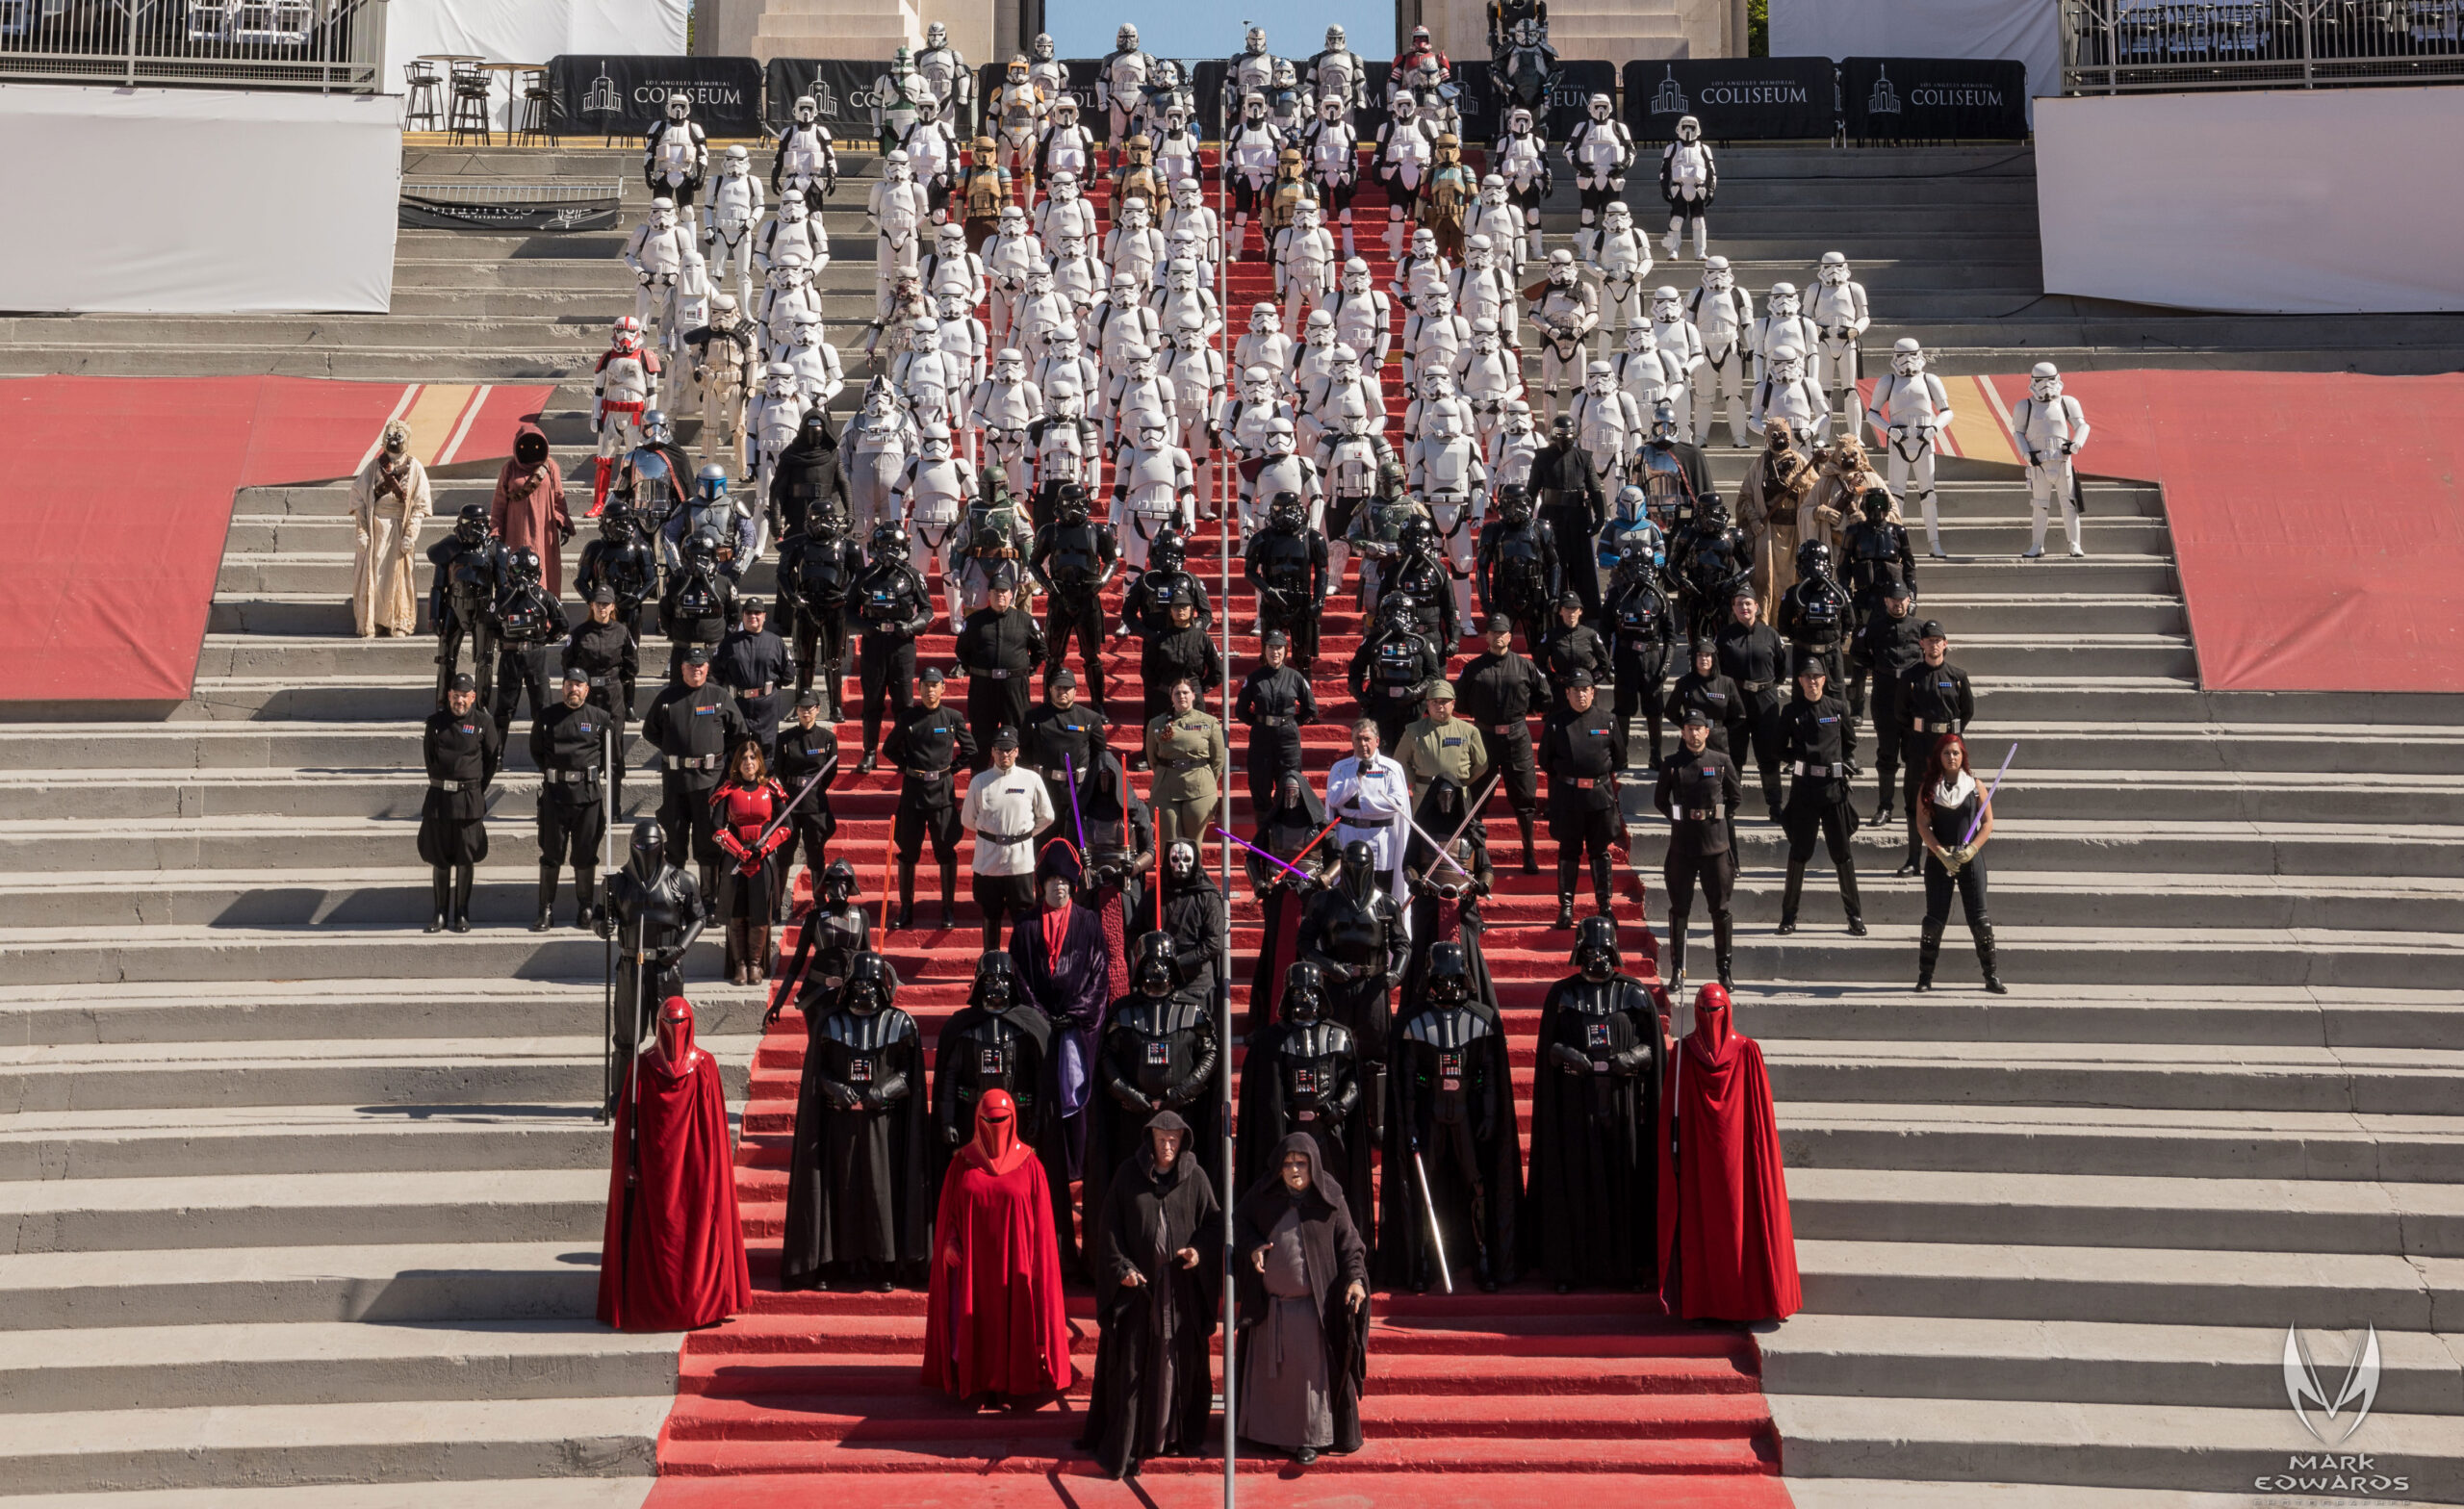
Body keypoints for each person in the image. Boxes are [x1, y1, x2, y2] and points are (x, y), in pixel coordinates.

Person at [1528, 917, 1668, 1292]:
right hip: (1577, 1105)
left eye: (1603, 950)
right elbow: (1548, 1052)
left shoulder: (1634, 994)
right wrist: (1568, 1054)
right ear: (1578, 951)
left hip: (1624, 1105)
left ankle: (1628, 1267)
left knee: (1625, 1180)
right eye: (1589, 950)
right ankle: (1571, 1268)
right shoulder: (1562, 996)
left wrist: (1633, 1058)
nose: (1597, 957)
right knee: (1578, 1180)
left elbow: (1654, 1050)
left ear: (1614, 950)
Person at [597, 996, 751, 1331]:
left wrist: (713, 1169)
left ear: (690, 1024)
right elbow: (626, 1128)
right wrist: (628, 1164)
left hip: (696, 1165)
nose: (675, 1029)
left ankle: (703, 1304)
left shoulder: (704, 1065)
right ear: (658, 1025)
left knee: (698, 1231)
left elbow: (713, 1126)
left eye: (681, 1022)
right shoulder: (642, 1066)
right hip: (654, 1167)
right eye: (669, 1022)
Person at [779, 952, 928, 1292]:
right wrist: (834, 1086)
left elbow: (911, 1074)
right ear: (847, 986)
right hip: (840, 1124)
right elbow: (816, 1073)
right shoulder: (830, 1024)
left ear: (882, 987)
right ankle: (836, 1262)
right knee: (840, 1191)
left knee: (880, 1192)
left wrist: (885, 1090)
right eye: (858, 983)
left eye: (870, 983)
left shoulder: (900, 1024)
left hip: (883, 1126)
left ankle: (883, 1262)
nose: (864, 990)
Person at [1084, 1110, 1221, 1480]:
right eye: (1162, 1139)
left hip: (1179, 1295)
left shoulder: (1196, 1178)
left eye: (1173, 1139)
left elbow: (1213, 1225)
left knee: (1174, 1365)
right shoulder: (1128, 1175)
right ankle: (1133, 1443)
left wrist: (1197, 1252)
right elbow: (1109, 1229)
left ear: (1183, 1140)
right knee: (1133, 1370)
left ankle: (1171, 1437)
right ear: (1150, 1140)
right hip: (1139, 1295)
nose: (1168, 1146)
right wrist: (1123, 1269)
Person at [1382, 942, 1519, 1292]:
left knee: (1476, 1184)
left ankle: (1483, 1253)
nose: (1447, 986)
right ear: (1429, 979)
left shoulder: (1482, 1019)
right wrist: (1409, 1125)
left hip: (1466, 1117)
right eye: (1440, 980)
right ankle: (1423, 1257)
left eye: (1453, 979)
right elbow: (1407, 1083)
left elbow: (1490, 1076)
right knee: (1425, 1185)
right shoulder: (1413, 1022)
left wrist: (1490, 1115)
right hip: (1430, 1116)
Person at [924, 1089, 1076, 1404]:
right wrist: (949, 1242)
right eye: (989, 1120)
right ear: (977, 1120)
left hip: (1017, 1264)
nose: (996, 1126)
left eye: (1002, 1120)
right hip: (973, 1267)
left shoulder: (1030, 1164)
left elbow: (1043, 1225)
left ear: (1013, 1119)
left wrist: (1037, 1265)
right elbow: (949, 1213)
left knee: (1015, 1319)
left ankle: (1014, 1382)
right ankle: (978, 1380)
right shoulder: (963, 1163)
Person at [1665, 984, 1802, 1322]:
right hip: (1698, 1154)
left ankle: (1746, 1302)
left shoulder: (1747, 1051)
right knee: (1702, 1227)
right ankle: (1704, 1304)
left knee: (1741, 1220)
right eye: (1704, 1010)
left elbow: (1759, 1113)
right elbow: (1671, 1109)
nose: (1710, 1016)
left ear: (1727, 1011)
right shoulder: (1683, 1054)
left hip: (1740, 1153)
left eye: (1716, 1010)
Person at [1233, 1135, 1371, 1466]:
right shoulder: (1263, 1195)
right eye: (1287, 1164)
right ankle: (1265, 1434)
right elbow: (1238, 1221)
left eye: (1301, 1163)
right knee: (1272, 1383)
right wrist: (1252, 1246)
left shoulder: (1330, 1197)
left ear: (1313, 1165)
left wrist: (1355, 1280)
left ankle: (1306, 1440)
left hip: (1312, 1313)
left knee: (1307, 1385)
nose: (1294, 1170)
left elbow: (1351, 1247)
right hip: (1270, 1312)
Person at [1085, 933, 1222, 1263]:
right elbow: (1106, 1059)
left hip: (1182, 1116)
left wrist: (1181, 1092)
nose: (1157, 969)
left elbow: (1209, 1054)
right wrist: (1129, 1094)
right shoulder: (1122, 1013)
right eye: (1149, 963)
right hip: (1133, 1118)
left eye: (1163, 963)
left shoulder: (1194, 1011)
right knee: (1133, 1187)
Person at [931, 953, 1073, 1253]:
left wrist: (1038, 1118)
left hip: (1018, 1125)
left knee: (1016, 1188)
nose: (997, 985)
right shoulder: (961, 1026)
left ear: (1013, 984)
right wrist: (946, 1121)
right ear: (979, 983)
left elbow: (1042, 1080)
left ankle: (1022, 1248)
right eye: (990, 979)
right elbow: (949, 1077)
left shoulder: (1031, 1025)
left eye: (1003, 979)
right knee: (975, 1185)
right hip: (971, 1123)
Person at [1237, 959, 1375, 1242]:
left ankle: (1339, 1246)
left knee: (1334, 1191)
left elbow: (1355, 1078)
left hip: (1329, 1130)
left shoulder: (1339, 1036)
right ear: (1288, 996)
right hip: (1290, 1131)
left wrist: (1341, 1106)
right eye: (1299, 992)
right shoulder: (1271, 1042)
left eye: (1311, 991)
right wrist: (1282, 1114)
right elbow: (1266, 1094)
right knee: (1286, 1192)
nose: (1305, 998)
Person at [1012, 842, 1115, 1210]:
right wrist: (1039, 1015)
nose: (1058, 886)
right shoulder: (1025, 927)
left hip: (1076, 1028)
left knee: (1077, 1097)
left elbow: (1099, 975)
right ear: (1041, 884)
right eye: (1052, 880)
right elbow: (1019, 978)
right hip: (1040, 1029)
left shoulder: (1089, 922)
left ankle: (1077, 1170)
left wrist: (1077, 1012)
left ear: (1073, 884)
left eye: (1064, 881)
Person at [1297, 840, 1405, 1144]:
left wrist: (1396, 973)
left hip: (1373, 986)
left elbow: (1403, 945)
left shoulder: (1386, 903)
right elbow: (1304, 943)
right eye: (1351, 863)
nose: (1357, 869)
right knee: (1334, 1050)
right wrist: (1328, 965)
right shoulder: (1324, 902)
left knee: (1375, 1055)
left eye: (1362, 864)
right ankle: (1335, 1111)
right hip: (1337, 985)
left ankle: (1377, 1119)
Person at [596, 823, 709, 1103]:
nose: (646, 850)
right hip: (630, 965)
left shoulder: (682, 880)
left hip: (665, 966)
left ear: (662, 845)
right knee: (625, 1037)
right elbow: (598, 916)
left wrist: (680, 948)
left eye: (651, 845)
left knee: (671, 1034)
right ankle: (620, 1097)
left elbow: (698, 918)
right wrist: (602, 926)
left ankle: (668, 1096)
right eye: (640, 846)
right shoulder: (616, 884)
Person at [640, 646, 747, 901]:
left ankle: (708, 900)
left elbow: (740, 732)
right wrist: (673, 748)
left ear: (707, 668)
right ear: (682, 668)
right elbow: (650, 731)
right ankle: (676, 899)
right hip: (676, 780)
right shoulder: (667, 697)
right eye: (691, 665)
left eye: (700, 666)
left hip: (710, 780)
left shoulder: (719, 695)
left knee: (708, 842)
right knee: (675, 842)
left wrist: (717, 754)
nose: (695, 670)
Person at [1776, 659, 1865, 937]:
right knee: (1799, 852)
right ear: (1800, 681)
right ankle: (1788, 917)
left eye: (1816, 677)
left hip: (1833, 789)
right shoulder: (1791, 711)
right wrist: (1798, 761)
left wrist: (1837, 764)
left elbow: (1849, 742)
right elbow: (1778, 747)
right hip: (1804, 790)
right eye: (1807, 677)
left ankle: (1854, 917)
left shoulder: (1837, 708)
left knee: (1842, 854)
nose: (1812, 681)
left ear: (1824, 680)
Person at [1655, 708, 1741, 991]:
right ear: (1683, 733)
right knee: (1680, 909)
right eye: (1689, 729)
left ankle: (1724, 971)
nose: (1693, 734)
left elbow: (1735, 797)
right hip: (1683, 846)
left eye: (1698, 729)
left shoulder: (1721, 761)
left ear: (1707, 732)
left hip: (1715, 846)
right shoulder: (1672, 763)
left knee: (1720, 910)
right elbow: (1660, 800)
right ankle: (1677, 970)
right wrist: (1677, 818)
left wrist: (1718, 816)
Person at [884, 667, 976, 930]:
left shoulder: (952, 717)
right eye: (925, 685)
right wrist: (907, 767)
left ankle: (948, 909)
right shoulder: (908, 717)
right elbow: (889, 748)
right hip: (913, 794)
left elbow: (970, 750)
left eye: (935, 685)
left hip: (942, 794)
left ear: (943, 688)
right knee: (907, 852)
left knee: (945, 851)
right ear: (919, 689)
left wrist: (950, 771)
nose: (930, 690)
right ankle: (906, 909)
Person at [1455, 616, 1550, 872]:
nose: (1498, 637)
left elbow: (1544, 697)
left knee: (1525, 797)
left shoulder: (1525, 666)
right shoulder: (1473, 668)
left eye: (1503, 632)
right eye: (1494, 632)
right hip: (1483, 738)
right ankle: (1477, 856)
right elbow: (1460, 701)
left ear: (1510, 636)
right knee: (1476, 798)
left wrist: (1523, 712)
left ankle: (1529, 854)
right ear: (1487, 636)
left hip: (1516, 738)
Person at [1915, 733, 2004, 993]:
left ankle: (1991, 976)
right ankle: (1925, 977)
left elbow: (1987, 822)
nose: (1951, 757)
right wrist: (1941, 853)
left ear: (1963, 755)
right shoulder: (1929, 788)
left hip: (1970, 860)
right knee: (1933, 921)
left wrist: (1973, 848)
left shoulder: (1975, 786)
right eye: (1946, 753)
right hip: (1939, 860)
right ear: (1939, 756)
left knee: (1980, 922)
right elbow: (1922, 825)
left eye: (1956, 752)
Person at [1245, 775, 1334, 1035]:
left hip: (1310, 898)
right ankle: (1270, 1016)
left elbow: (1338, 856)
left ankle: (1314, 1012)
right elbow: (1251, 858)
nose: (1291, 798)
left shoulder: (1319, 826)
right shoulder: (1271, 825)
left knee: (1310, 950)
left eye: (1295, 792)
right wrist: (1258, 883)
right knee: (1276, 952)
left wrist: (1327, 877)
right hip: (1278, 896)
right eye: (1286, 792)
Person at [849, 523, 937, 772]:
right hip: (874, 642)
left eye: (893, 547)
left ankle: (904, 749)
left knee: (903, 701)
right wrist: (865, 627)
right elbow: (848, 612)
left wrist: (911, 627)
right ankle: (869, 752)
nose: (888, 552)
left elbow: (928, 610)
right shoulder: (864, 577)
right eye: (883, 546)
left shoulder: (912, 575)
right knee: (872, 700)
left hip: (902, 644)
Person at [529, 667, 611, 933]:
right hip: (555, 795)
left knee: (586, 854)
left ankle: (585, 908)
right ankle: (545, 909)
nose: (573, 689)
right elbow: (537, 751)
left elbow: (610, 757)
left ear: (587, 690)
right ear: (562, 687)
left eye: (578, 685)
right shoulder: (546, 717)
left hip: (588, 797)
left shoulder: (600, 718)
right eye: (569, 684)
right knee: (551, 854)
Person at [1541, 669, 1624, 929]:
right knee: (1568, 851)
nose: (1581, 695)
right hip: (1568, 797)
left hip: (1599, 797)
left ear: (1593, 692)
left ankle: (1605, 907)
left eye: (1585, 690)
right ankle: (1566, 908)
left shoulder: (1608, 720)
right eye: (1575, 690)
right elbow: (1546, 761)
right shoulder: (1556, 722)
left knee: (1600, 851)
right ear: (1567, 693)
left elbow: (1619, 759)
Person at [960, 727, 1054, 949]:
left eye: (1009, 750)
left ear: (1017, 751)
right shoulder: (980, 781)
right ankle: (990, 959)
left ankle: (1021, 960)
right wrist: (991, 835)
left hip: (1019, 860)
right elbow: (967, 819)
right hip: (988, 859)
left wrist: (1024, 835)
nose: (1004, 755)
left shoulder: (1031, 779)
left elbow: (1047, 816)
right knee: (990, 912)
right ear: (992, 751)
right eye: (1000, 750)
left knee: (1022, 913)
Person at [420, 673, 499, 934]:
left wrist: (474, 788)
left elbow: (491, 759)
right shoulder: (435, 723)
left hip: (469, 800)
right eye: (456, 696)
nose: (460, 701)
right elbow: (430, 759)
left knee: (466, 857)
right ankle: (440, 912)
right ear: (449, 696)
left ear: (473, 697)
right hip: (440, 798)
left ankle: (461, 913)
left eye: (464, 696)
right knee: (440, 858)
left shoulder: (484, 723)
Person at [1896, 621, 1976, 875]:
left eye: (1938, 640)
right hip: (1921, 746)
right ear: (1921, 644)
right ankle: (1913, 860)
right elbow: (1901, 713)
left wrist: (1951, 738)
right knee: (1915, 802)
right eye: (1929, 640)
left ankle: (1949, 855)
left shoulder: (1957, 677)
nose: (1934, 645)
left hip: (1949, 747)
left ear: (1945, 644)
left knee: (1951, 801)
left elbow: (1967, 711)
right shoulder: (1910, 677)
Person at [708, 741, 791, 984]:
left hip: (762, 860)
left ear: (759, 762)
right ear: (737, 763)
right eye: (744, 758)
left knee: (759, 912)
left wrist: (765, 848)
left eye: (753, 758)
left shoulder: (771, 790)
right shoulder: (727, 790)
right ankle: (740, 965)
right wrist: (737, 850)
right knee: (736, 911)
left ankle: (755, 964)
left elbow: (787, 826)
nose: (748, 763)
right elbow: (716, 828)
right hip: (734, 860)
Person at [1867, 339, 1954, 557]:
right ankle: (1894, 544)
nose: (1907, 361)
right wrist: (1889, 430)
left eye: (1911, 355)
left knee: (1929, 494)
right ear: (1894, 356)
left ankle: (1934, 543)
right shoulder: (1888, 381)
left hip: (1924, 440)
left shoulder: (1929, 379)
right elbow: (1872, 413)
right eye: (1902, 356)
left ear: (1919, 355)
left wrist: (1934, 428)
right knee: (1897, 495)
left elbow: (1947, 411)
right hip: (1899, 441)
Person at [953, 569, 1045, 770]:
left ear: (1011, 594)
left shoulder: (1025, 620)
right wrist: (977, 669)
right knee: (981, 734)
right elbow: (962, 650)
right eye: (995, 591)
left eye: (1004, 591)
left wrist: (1027, 668)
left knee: (1018, 732)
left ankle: (1019, 780)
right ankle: (979, 778)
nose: (1000, 595)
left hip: (1014, 686)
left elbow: (1040, 649)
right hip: (983, 686)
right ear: (989, 594)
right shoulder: (975, 621)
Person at [351, 419, 430, 638]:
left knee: (398, 575)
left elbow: (420, 504)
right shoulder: (374, 467)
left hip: (399, 526)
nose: (393, 441)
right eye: (390, 436)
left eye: (398, 436)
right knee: (375, 575)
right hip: (376, 527)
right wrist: (362, 530)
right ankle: (374, 621)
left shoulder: (414, 467)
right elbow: (358, 497)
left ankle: (399, 622)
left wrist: (411, 533)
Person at [1716, 587, 1790, 821]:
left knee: (1769, 755)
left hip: (1765, 701)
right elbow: (1717, 669)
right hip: (1736, 701)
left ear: (1757, 607)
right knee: (1734, 756)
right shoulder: (1725, 636)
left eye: (1748, 603)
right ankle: (1730, 804)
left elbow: (1781, 668)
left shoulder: (1770, 634)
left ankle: (1775, 805)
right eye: (1739, 604)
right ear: (1733, 608)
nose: (1744, 608)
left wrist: (1767, 686)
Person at [1854, 580, 1924, 824]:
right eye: (1893, 599)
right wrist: (1875, 667)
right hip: (1885, 695)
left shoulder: (1920, 627)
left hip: (1912, 698)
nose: (1897, 603)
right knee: (1887, 754)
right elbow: (1858, 652)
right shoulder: (1874, 628)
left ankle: (1913, 807)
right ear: (1885, 601)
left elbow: (1935, 653)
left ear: (1908, 600)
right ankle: (1885, 807)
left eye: (1901, 599)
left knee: (1914, 756)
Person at [1323, 722, 1414, 907]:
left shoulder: (1391, 768)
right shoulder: (1341, 768)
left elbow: (1396, 803)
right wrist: (1355, 779)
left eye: (1367, 739)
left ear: (1377, 741)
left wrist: (1359, 803)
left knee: (1380, 893)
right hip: (1348, 835)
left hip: (1381, 837)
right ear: (1352, 742)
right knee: (1347, 891)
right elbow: (1334, 799)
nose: (1362, 744)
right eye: (1358, 739)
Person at [1129, 839, 1228, 1009]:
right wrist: (1149, 955)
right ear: (1168, 862)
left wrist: (1177, 962)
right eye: (1175, 860)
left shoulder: (1208, 897)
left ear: (1195, 861)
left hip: (1195, 983)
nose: (1181, 866)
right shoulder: (1153, 897)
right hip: (1157, 981)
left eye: (1187, 860)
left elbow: (1214, 943)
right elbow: (1134, 932)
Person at [427, 505, 506, 710]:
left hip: (483, 609)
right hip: (453, 607)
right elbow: (438, 586)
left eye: (472, 523)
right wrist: (434, 616)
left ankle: (481, 708)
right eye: (464, 522)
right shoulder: (450, 547)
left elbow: (503, 588)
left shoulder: (495, 549)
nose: (467, 527)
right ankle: (442, 706)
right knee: (445, 659)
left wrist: (500, 618)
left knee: (484, 660)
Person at [770, 690, 838, 920]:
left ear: (818, 709)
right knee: (784, 854)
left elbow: (830, 772)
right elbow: (779, 769)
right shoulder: (785, 738)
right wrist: (792, 788)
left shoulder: (827, 739)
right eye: (801, 708)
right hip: (790, 802)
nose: (805, 712)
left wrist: (814, 789)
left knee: (815, 853)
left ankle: (820, 903)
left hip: (814, 803)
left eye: (810, 708)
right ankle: (776, 905)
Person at [2013, 360, 2092, 559]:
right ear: (2033, 381)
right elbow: (2018, 433)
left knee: (2069, 504)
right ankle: (2037, 545)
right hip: (2039, 462)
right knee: (2039, 506)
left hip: (2062, 459)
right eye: (2041, 380)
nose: (2046, 385)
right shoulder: (2025, 406)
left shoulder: (2067, 402)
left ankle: (2075, 544)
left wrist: (2075, 444)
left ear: (2057, 379)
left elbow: (2082, 426)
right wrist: (2027, 454)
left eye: (2049, 380)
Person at [486, 547, 564, 734]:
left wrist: (545, 639)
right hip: (510, 655)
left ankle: (543, 751)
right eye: (518, 571)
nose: (523, 576)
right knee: (504, 710)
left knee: (543, 709)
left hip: (535, 655)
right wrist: (505, 637)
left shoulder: (544, 596)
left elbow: (563, 624)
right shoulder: (503, 596)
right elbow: (489, 624)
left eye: (528, 571)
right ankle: (496, 752)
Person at [1145, 678, 1229, 852]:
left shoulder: (1209, 722)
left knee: (1192, 846)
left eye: (1185, 692)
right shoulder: (1157, 723)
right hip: (1166, 788)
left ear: (1193, 695)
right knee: (1169, 845)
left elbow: (1218, 759)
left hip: (1199, 789)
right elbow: (1153, 759)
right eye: (1177, 693)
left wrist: (1205, 780)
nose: (1181, 696)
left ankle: (1194, 872)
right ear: (1171, 697)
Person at [712, 598, 789, 759]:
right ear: (743, 615)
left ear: (764, 616)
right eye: (748, 612)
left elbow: (788, 675)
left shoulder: (776, 642)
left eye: (757, 612)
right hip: (737, 704)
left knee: (767, 748)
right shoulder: (728, 643)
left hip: (766, 705)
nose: (753, 616)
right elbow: (716, 673)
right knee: (736, 747)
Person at [1396, 679, 1486, 811]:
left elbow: (1481, 764)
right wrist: (1416, 782)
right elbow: (1400, 760)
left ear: (1453, 703)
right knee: (1423, 825)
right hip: (1424, 793)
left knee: (1458, 825)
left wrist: (1462, 782)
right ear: (1427, 704)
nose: (1439, 706)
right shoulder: (1413, 730)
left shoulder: (1469, 731)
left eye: (1444, 701)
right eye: (1434, 702)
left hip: (1457, 794)